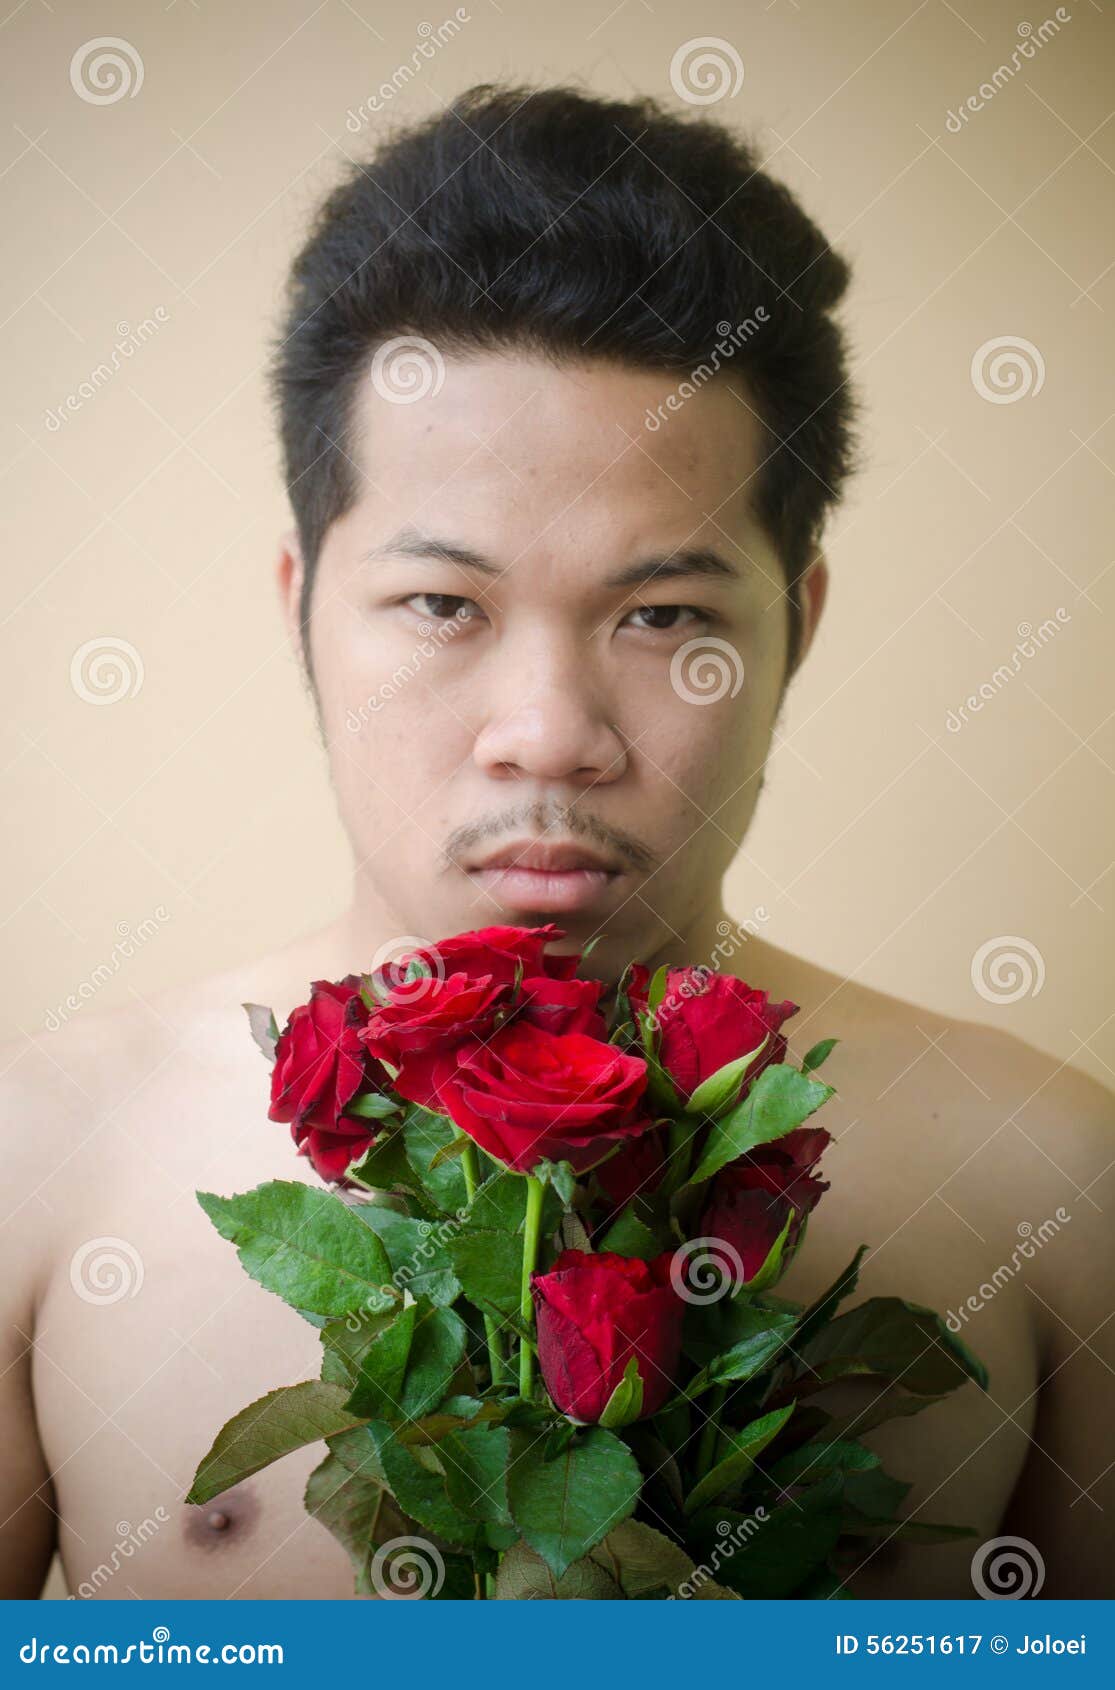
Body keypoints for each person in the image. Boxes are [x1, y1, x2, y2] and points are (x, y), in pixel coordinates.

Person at [3, 83, 1111, 1602]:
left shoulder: (1050, 1182)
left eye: (664, 615)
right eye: (443, 605)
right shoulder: (41, 1165)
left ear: (799, 626)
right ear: (298, 611)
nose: (549, 730)